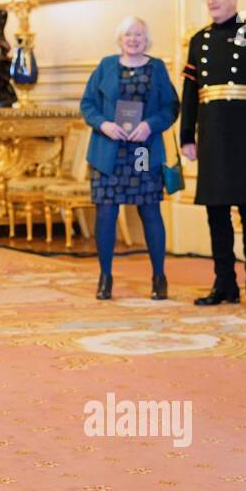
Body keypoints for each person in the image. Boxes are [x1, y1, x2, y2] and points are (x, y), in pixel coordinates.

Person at [180, 0, 246, 309]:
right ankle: (224, 283)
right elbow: (190, 93)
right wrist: (187, 136)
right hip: (212, 134)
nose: (212, 1)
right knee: (216, 213)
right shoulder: (199, 40)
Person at [79, 16, 180, 300]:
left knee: (149, 210)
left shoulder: (156, 68)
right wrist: (103, 124)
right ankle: (105, 277)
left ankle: (159, 277)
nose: (133, 39)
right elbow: (87, 104)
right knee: (107, 213)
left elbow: (171, 107)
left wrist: (149, 125)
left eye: (138, 35)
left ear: (146, 40)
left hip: (141, 151)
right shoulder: (105, 66)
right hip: (108, 152)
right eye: (128, 35)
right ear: (119, 39)